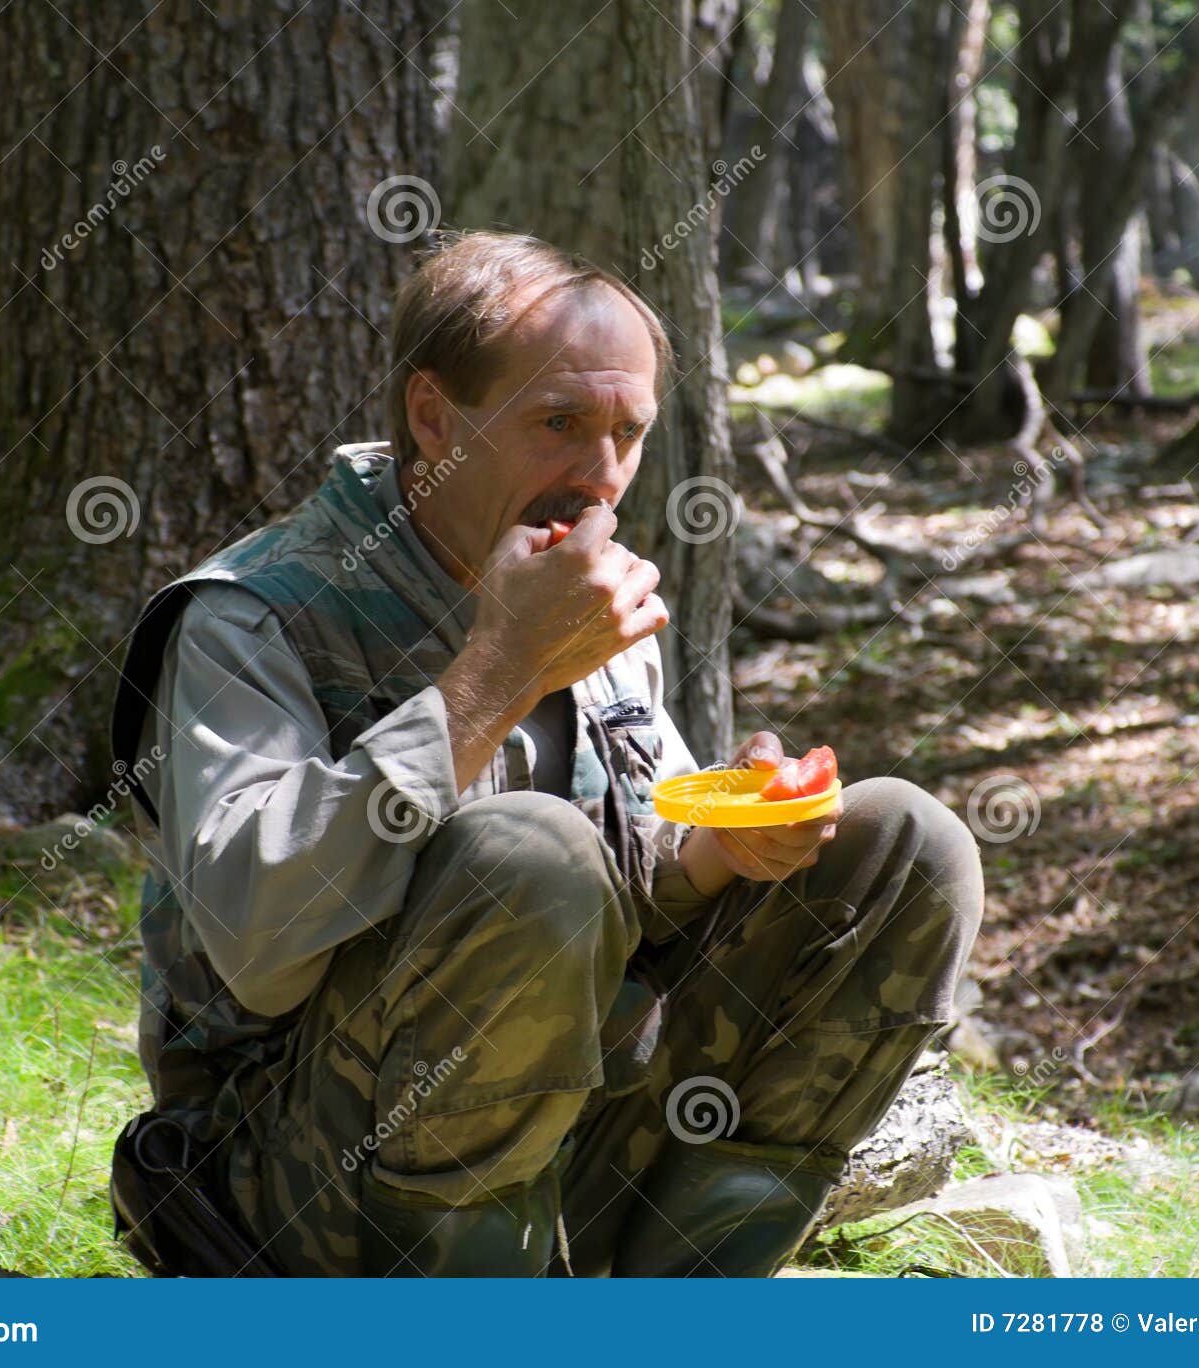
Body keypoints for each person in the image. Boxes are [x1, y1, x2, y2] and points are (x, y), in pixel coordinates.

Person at [109, 230, 983, 1276]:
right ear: (434, 418)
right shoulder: (252, 618)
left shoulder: (576, 584)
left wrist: (721, 849)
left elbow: (618, 901)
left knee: (904, 846)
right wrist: (500, 670)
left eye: (627, 432)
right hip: (306, 1190)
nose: (600, 475)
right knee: (523, 849)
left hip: (560, 1142)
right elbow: (260, 949)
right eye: (558, 423)